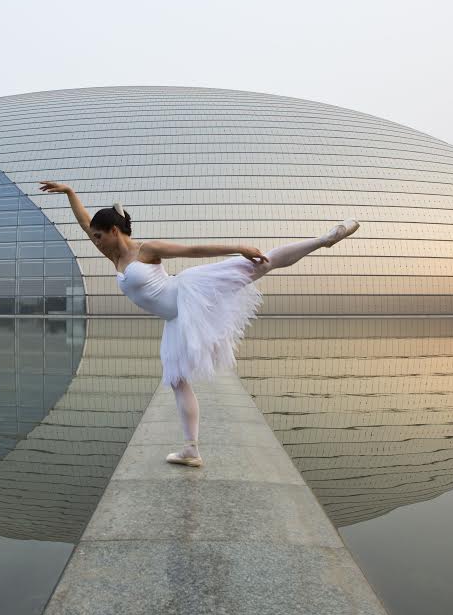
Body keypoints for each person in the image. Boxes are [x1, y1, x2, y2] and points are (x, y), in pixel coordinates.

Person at [38, 181, 359, 467]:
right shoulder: (113, 257)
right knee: (177, 380)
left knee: (261, 263)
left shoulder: (146, 250)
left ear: (114, 231)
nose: (93, 241)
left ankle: (323, 240)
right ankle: (191, 449)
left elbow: (193, 250)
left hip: (188, 292)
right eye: (92, 236)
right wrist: (69, 192)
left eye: (98, 236)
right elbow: (83, 221)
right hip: (175, 317)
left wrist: (238, 247)